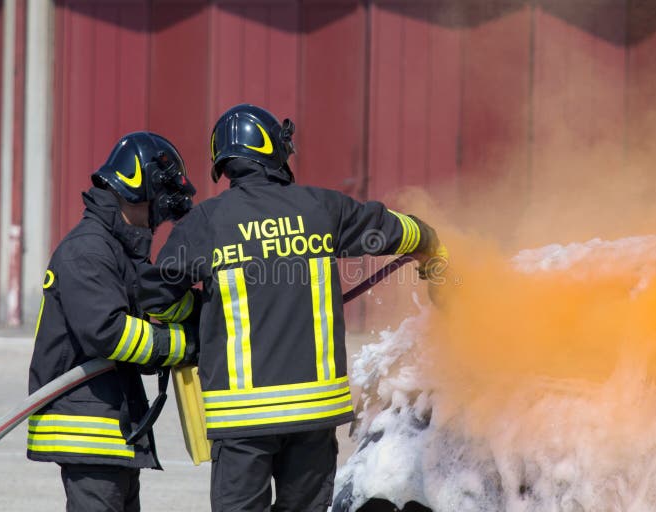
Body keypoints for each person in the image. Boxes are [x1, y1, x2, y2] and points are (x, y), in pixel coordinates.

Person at [138, 104, 449, 511]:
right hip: (313, 418)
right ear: (275, 151)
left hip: (241, 422)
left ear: (225, 163)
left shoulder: (206, 222)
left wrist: (198, 313)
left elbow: (156, 297)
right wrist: (430, 245)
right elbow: (394, 229)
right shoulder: (321, 208)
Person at [27, 131, 200, 512]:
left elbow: (152, 299)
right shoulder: (87, 250)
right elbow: (110, 334)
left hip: (111, 424)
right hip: (87, 427)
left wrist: (204, 311)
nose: (159, 220)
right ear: (140, 192)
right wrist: (185, 344)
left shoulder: (118, 250)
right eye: (159, 206)